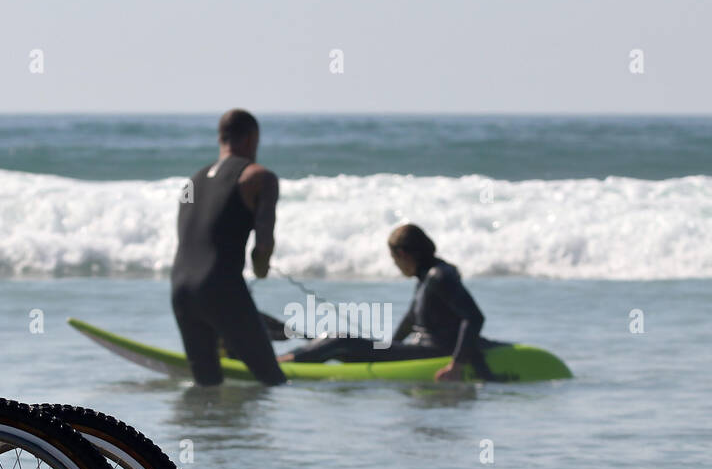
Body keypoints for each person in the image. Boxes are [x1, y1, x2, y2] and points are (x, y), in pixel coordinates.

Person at [281, 224, 495, 382]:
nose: (396, 266)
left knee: (339, 340)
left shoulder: (439, 276)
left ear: (401, 254)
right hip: (422, 348)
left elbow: (474, 317)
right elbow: (411, 319)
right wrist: (390, 347)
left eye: (394, 260)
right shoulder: (427, 276)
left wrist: (456, 365)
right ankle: (289, 360)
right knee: (342, 346)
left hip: (434, 352)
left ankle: (280, 364)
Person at [171, 109, 286, 386]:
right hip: (221, 288)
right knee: (273, 381)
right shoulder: (259, 177)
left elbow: (186, 237)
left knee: (207, 385)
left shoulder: (192, 181)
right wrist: (261, 269)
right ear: (251, 139)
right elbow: (264, 244)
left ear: (221, 138)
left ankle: (209, 430)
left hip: (180, 287)